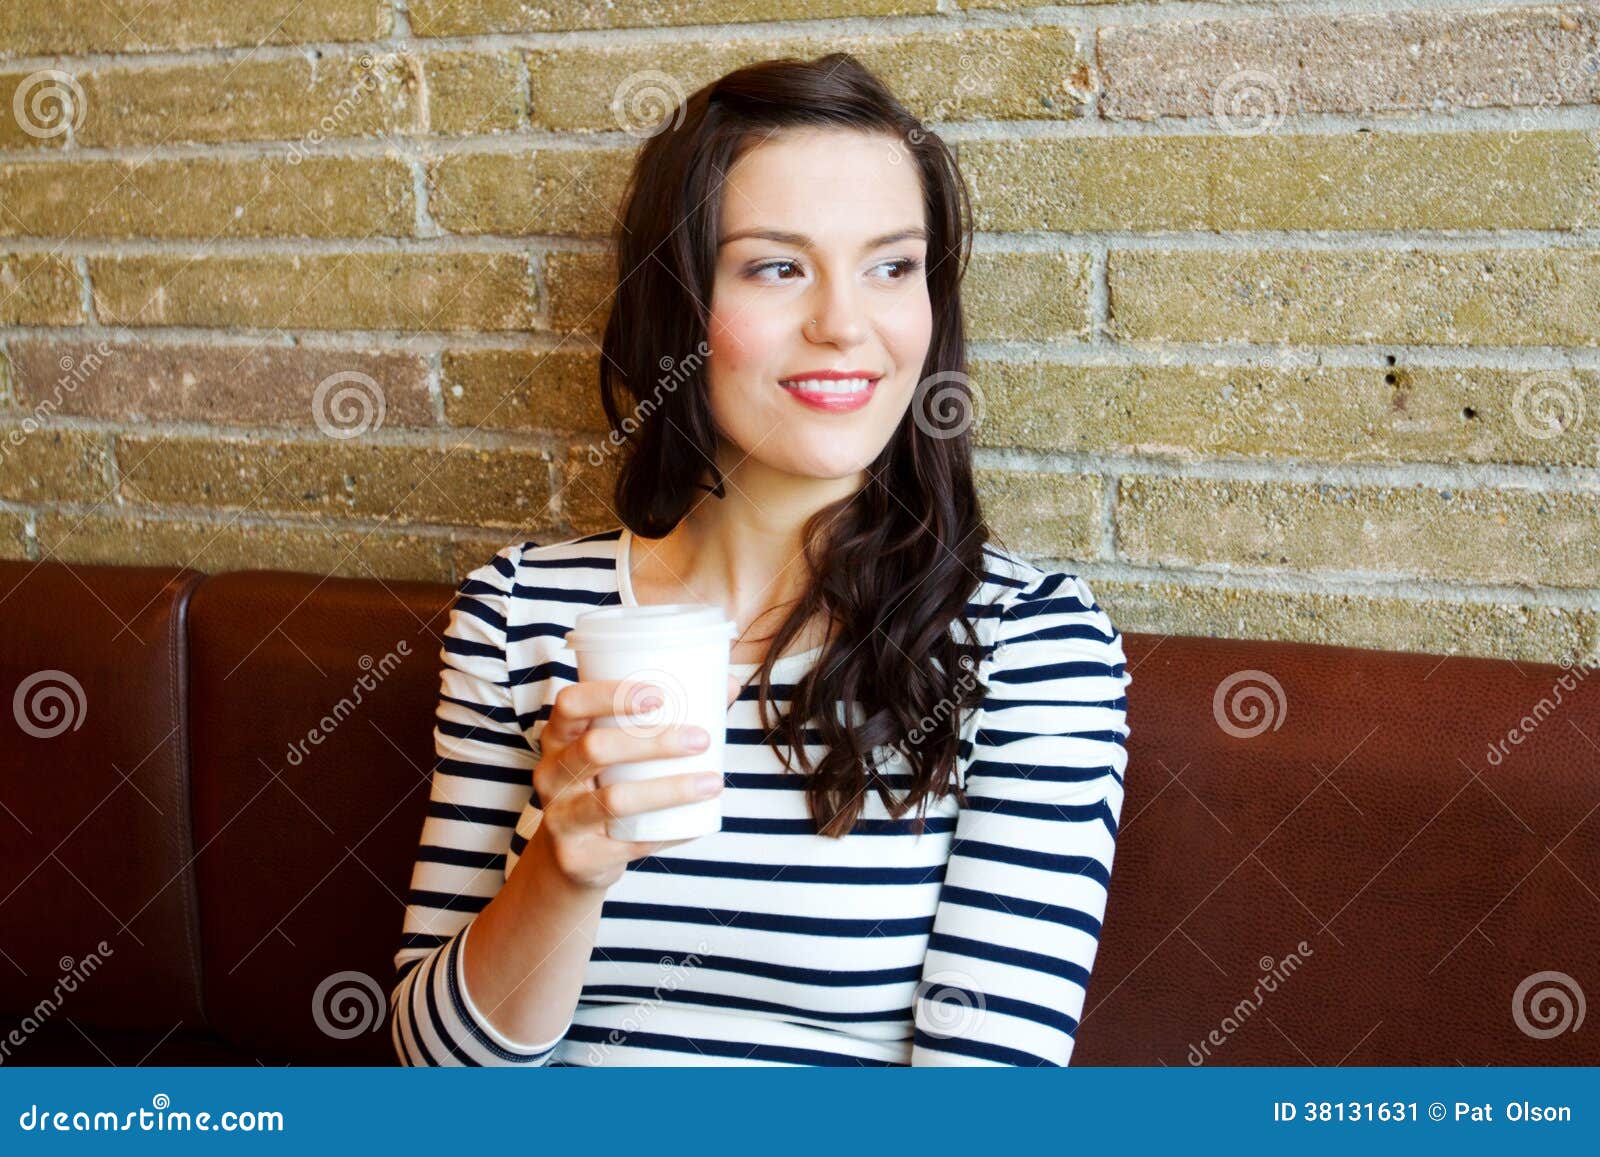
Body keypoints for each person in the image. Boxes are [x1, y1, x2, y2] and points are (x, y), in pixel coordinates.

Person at [390, 52, 1132, 1067]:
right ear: (678, 303)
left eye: (892, 266)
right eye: (777, 267)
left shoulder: (1027, 647)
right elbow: (435, 1076)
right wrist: (562, 870)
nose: (844, 325)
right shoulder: (519, 612)